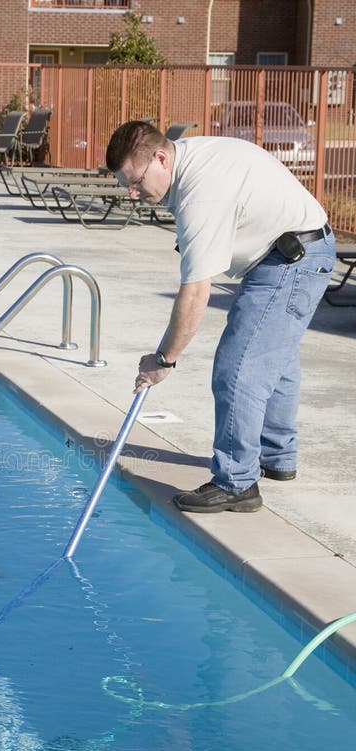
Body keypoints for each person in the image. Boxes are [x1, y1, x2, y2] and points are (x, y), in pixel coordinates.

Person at [105, 121, 335, 514]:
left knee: (238, 368)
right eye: (125, 183)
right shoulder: (186, 158)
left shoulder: (201, 194)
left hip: (292, 258)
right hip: (296, 248)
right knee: (274, 359)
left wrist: (164, 360)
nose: (132, 192)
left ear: (161, 158)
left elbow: (195, 293)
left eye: (136, 181)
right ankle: (276, 457)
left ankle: (236, 482)